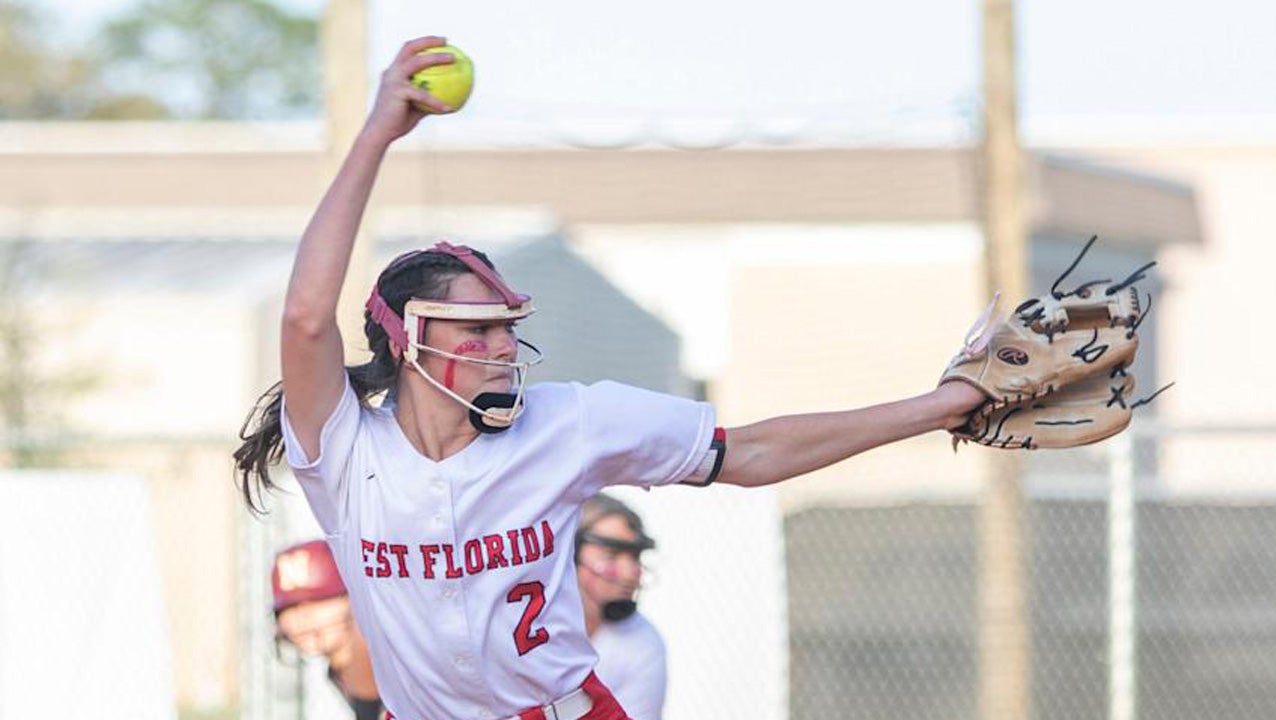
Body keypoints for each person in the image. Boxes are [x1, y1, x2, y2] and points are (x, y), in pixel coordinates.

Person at [234, 35, 985, 720]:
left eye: (508, 327)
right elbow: (305, 318)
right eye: (478, 328)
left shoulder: (569, 421)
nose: (503, 345)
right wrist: (377, 136)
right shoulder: (343, 451)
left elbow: (753, 453)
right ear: (406, 340)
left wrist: (940, 406)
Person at [271, 539, 385, 720]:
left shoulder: (386, 662)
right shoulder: (337, 673)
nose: (302, 617)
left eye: (318, 601)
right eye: (290, 607)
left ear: (350, 597)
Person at [575, 495, 666, 720]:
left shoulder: (641, 641)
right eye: (611, 555)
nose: (628, 574)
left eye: (634, 557)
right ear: (570, 553)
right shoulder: (529, 630)